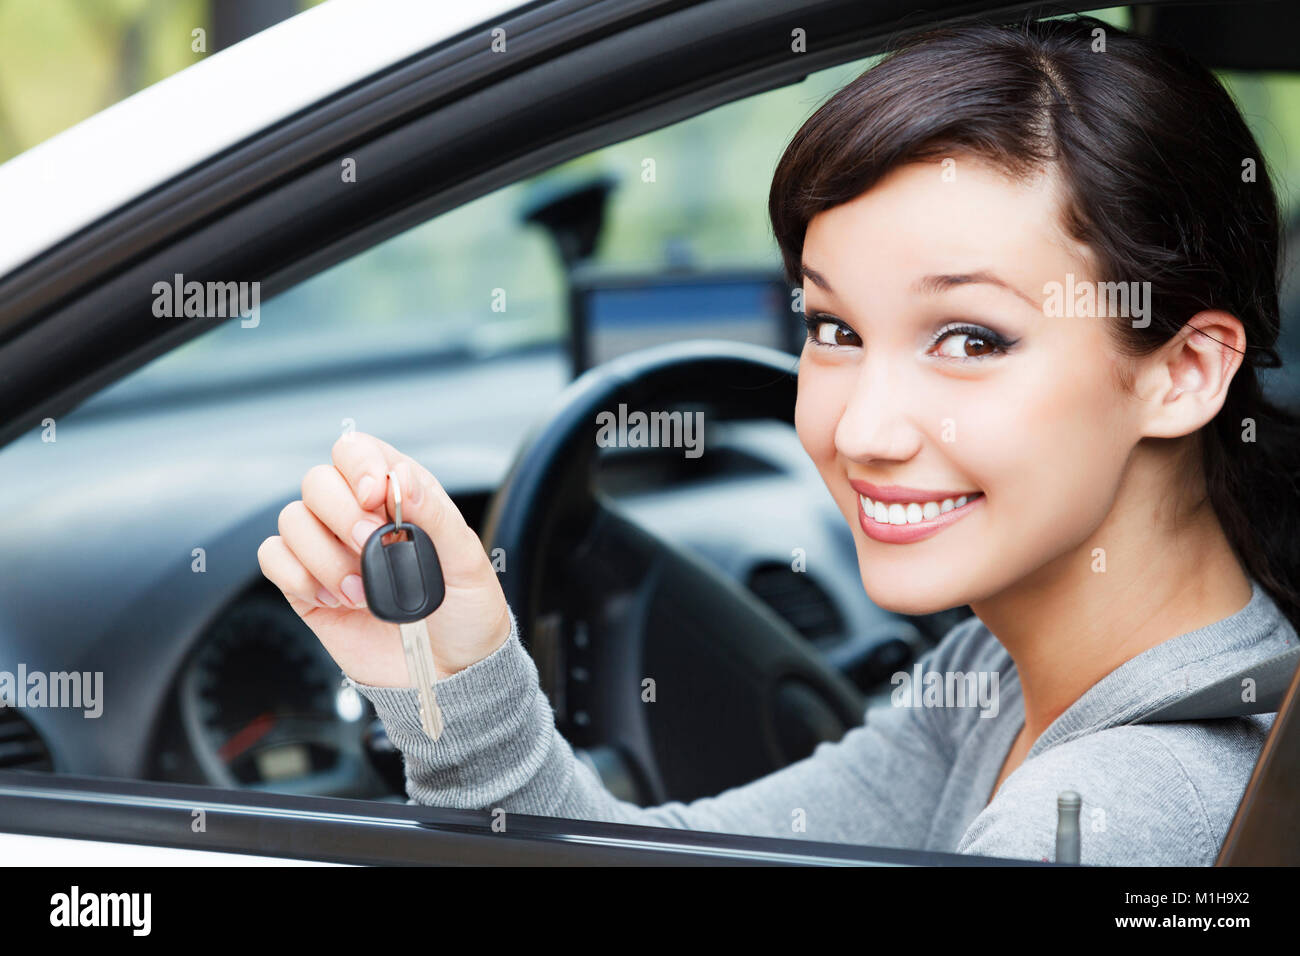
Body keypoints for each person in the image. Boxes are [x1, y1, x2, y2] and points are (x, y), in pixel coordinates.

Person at [257, 14, 1300, 865]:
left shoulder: (1099, 813)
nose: (861, 427)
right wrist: (458, 679)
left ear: (1183, 371)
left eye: (970, 338)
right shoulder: (1012, 667)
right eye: (832, 328)